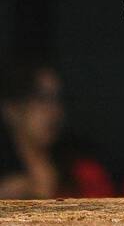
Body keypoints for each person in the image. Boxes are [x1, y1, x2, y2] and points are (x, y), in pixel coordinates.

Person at [0, 61, 113, 199]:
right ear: (11, 109)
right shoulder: (7, 184)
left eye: (57, 99)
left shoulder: (85, 175)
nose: (54, 111)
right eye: (41, 98)